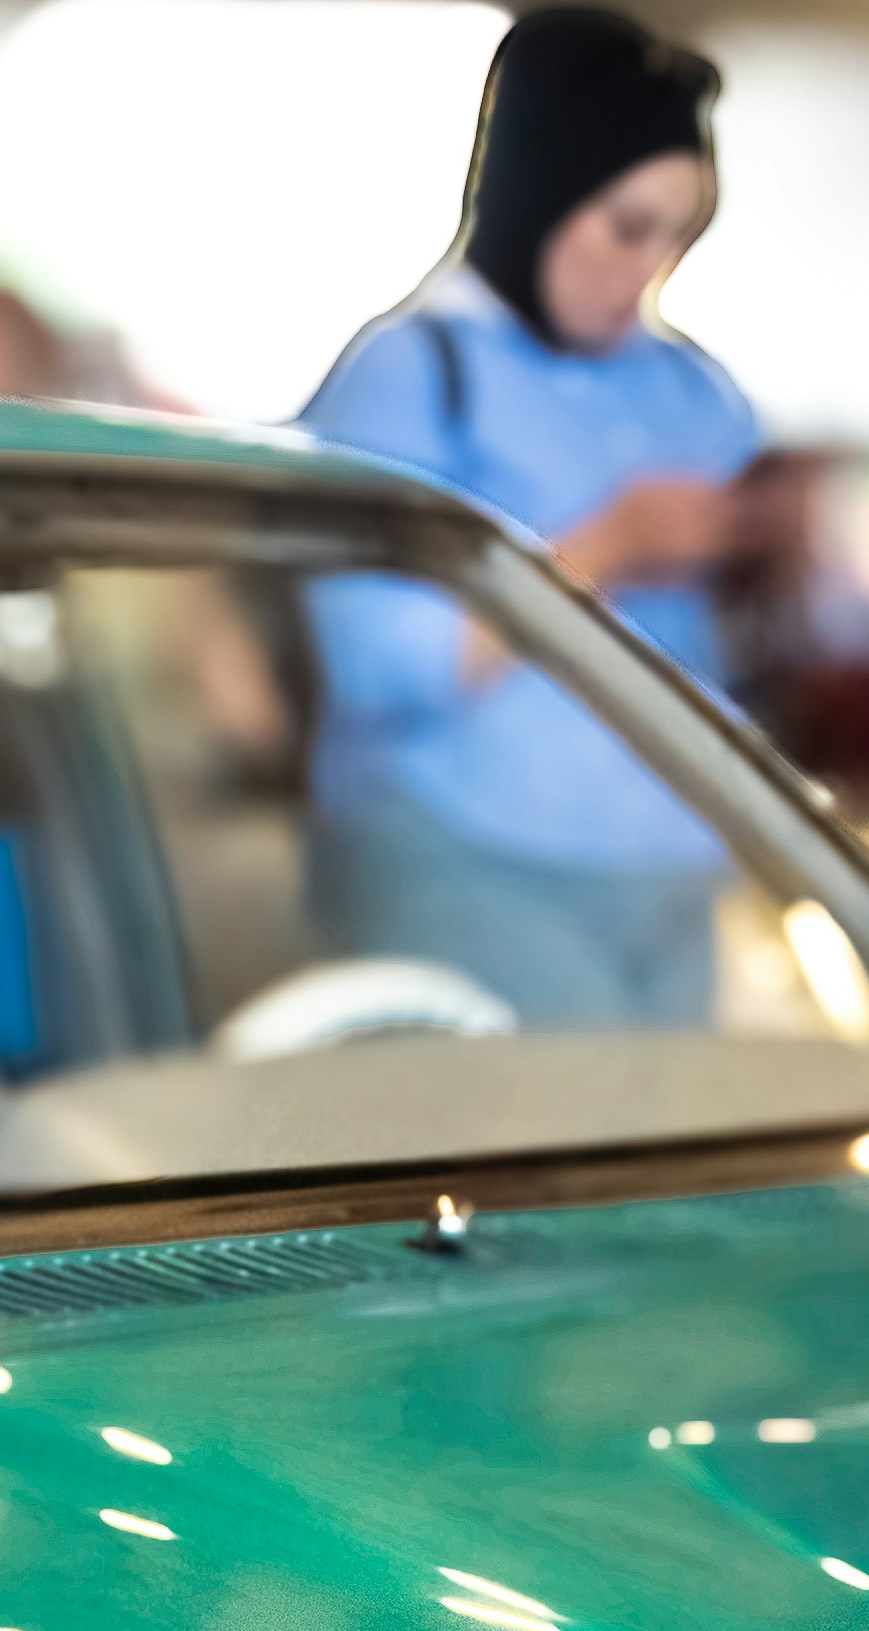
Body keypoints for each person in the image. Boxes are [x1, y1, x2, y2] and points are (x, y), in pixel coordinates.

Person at [295, 8, 754, 1029]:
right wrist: (604, 547)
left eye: (676, 237)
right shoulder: (412, 376)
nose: (646, 271)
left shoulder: (682, 386)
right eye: (626, 228)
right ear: (540, 192)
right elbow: (383, 665)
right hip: (479, 861)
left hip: (673, 868)